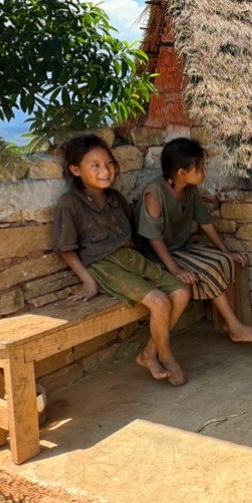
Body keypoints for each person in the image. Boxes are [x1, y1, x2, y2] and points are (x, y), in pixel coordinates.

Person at [52, 135, 192, 386]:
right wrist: (88, 282)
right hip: (103, 265)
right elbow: (66, 250)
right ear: (75, 169)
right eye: (94, 165)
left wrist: (154, 265)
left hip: (130, 258)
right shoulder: (69, 203)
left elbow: (134, 235)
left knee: (181, 291)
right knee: (159, 302)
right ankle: (167, 355)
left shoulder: (115, 198)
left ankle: (149, 353)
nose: (105, 171)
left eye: (109, 163)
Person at [135, 137, 252, 343]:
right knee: (208, 271)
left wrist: (225, 251)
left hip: (179, 248)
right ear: (181, 173)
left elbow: (205, 222)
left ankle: (229, 324)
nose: (204, 172)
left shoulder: (189, 189)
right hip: (156, 254)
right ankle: (236, 327)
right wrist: (176, 270)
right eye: (200, 168)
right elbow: (153, 239)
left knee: (227, 261)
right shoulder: (155, 193)